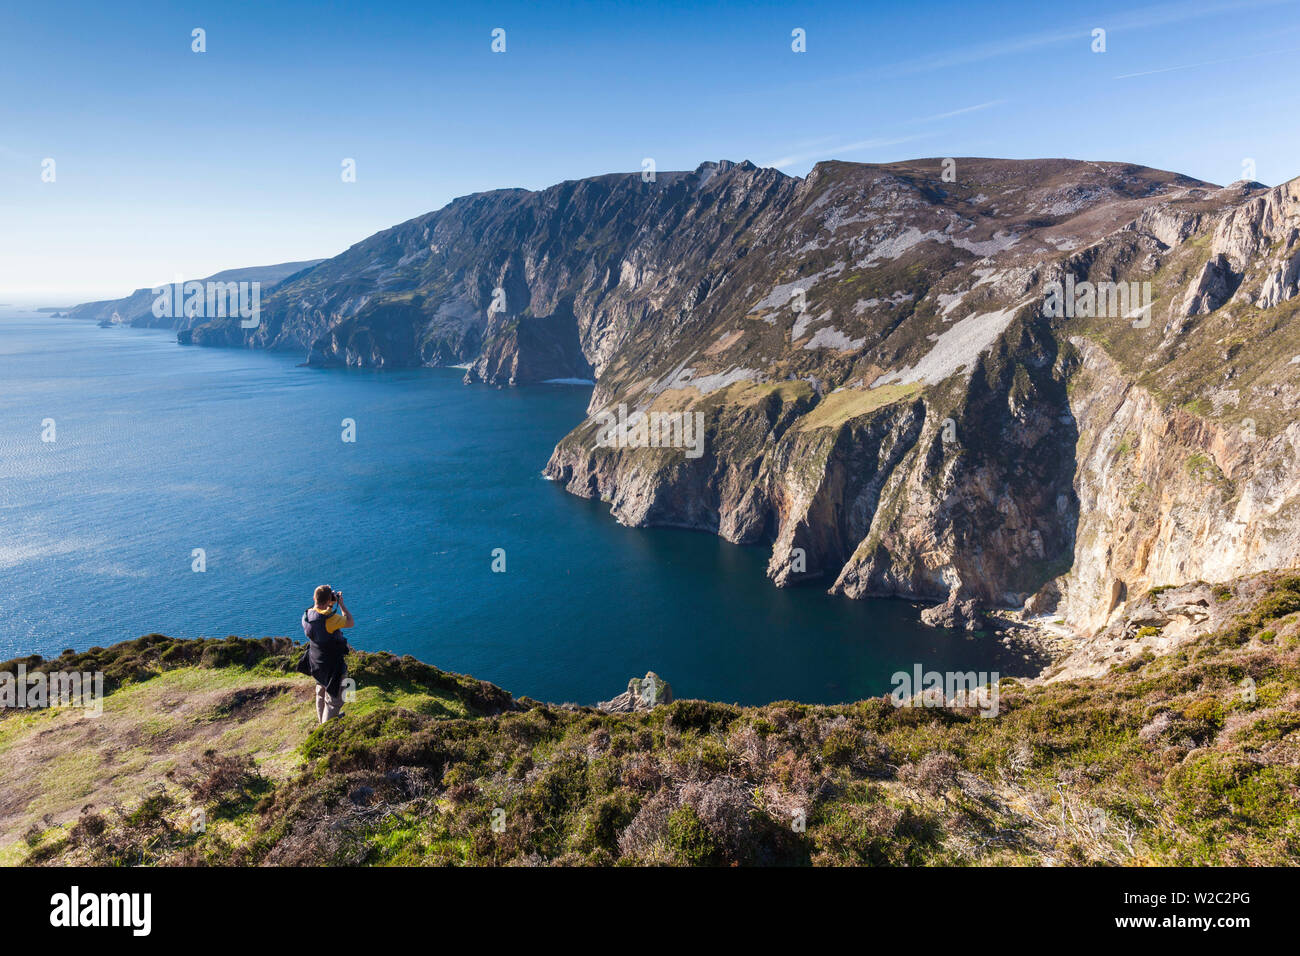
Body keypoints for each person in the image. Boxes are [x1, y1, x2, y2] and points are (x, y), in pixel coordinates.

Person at [301, 585, 355, 723]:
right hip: (332, 666)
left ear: (314, 598)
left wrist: (329, 605)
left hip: (316, 662)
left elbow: (320, 618)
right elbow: (350, 622)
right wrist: (341, 604)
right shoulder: (330, 620)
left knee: (321, 693)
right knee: (334, 701)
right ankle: (325, 729)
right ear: (327, 600)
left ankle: (322, 722)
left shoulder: (306, 615)